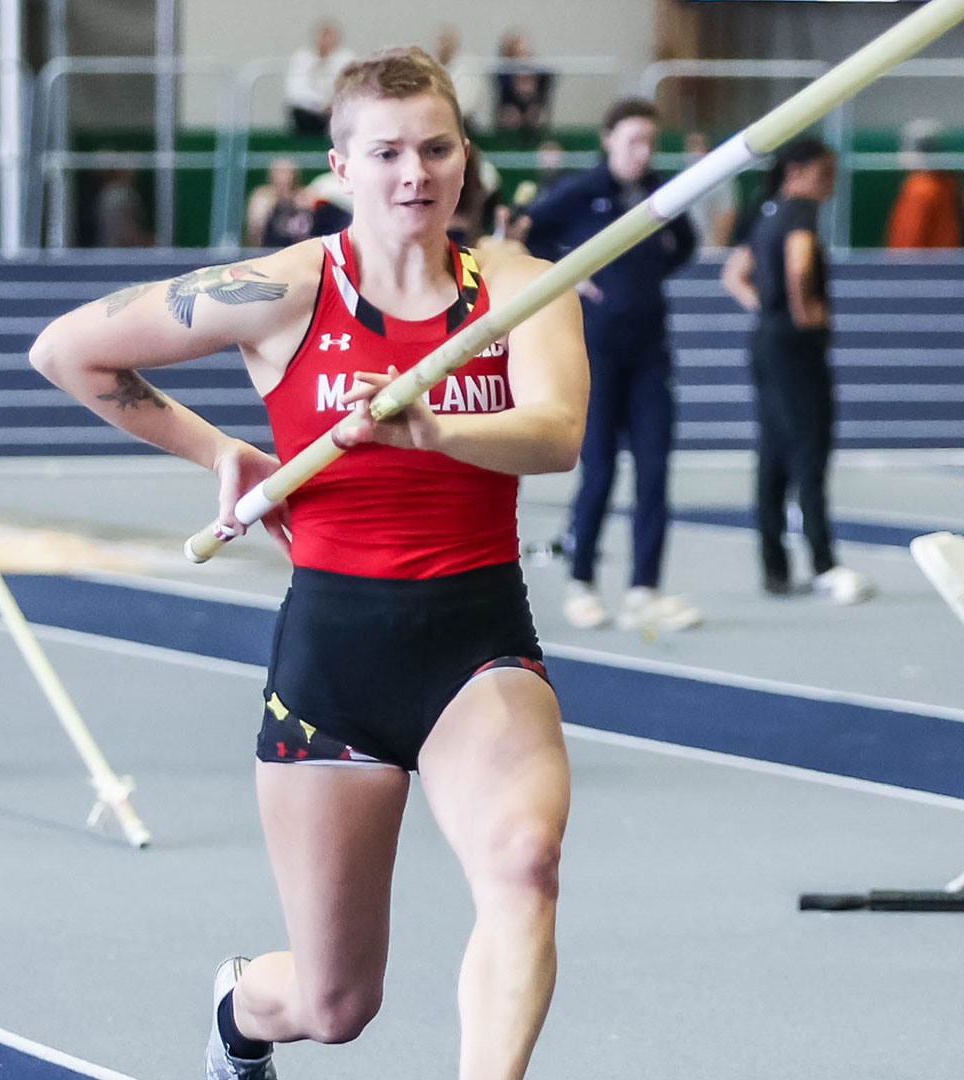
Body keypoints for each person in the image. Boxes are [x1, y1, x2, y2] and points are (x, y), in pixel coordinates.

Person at [29, 47, 585, 1080]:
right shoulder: (284, 288)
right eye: (388, 153)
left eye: (436, 149)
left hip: (477, 645)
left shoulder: (518, 287)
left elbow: (556, 434)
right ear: (341, 166)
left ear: (466, 158)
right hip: (334, 663)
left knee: (525, 863)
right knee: (334, 1004)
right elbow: (67, 349)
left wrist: (432, 430)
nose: (414, 174)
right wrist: (222, 453)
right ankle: (241, 1008)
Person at [517, 99, 702, 631]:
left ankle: (645, 589)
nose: (643, 152)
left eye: (650, 142)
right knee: (599, 468)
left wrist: (645, 276)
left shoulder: (660, 191)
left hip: (650, 350)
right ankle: (582, 581)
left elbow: (686, 242)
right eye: (633, 141)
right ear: (608, 139)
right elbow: (528, 233)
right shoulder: (582, 190)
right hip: (597, 349)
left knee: (654, 471)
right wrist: (568, 275)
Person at [721, 139, 876, 604]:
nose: (830, 183)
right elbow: (799, 264)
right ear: (799, 171)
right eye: (825, 173)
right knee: (810, 451)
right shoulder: (800, 214)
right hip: (796, 347)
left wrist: (766, 310)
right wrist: (806, 315)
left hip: (767, 341)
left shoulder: (765, 210)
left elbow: (734, 274)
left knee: (773, 452)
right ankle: (824, 563)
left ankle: (774, 568)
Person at [884, 118, 962, 249]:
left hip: (924, 260)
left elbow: (910, 240)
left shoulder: (921, 190)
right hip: (940, 258)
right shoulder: (943, 185)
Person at [283, 20, 355, 138]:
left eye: (330, 37)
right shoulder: (302, 57)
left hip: (336, 109)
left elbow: (349, 87)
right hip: (309, 112)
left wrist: (332, 104)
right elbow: (295, 90)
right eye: (323, 36)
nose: (326, 41)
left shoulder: (346, 58)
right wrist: (319, 105)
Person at [492, 31, 554, 142]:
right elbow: (505, 101)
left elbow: (542, 98)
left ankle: (538, 143)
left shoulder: (541, 75)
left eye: (528, 54)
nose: (524, 60)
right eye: (519, 55)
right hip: (511, 110)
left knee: (536, 116)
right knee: (511, 116)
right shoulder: (504, 75)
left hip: (534, 109)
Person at [684, 131, 738, 251]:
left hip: (708, 251)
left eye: (698, 145)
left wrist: (715, 250)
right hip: (687, 253)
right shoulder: (682, 179)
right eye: (691, 145)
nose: (694, 151)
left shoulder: (718, 179)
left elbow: (726, 215)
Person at [245, 157, 314, 248]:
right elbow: (254, 229)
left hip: (298, 248)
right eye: (278, 172)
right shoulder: (263, 197)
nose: (282, 177)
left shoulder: (305, 196)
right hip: (270, 247)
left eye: (286, 172)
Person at [433, 24, 488, 134]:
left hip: (464, 124)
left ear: (455, 44)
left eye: (447, 41)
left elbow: (467, 104)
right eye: (441, 41)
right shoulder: (432, 67)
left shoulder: (468, 68)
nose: (443, 45)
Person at [94, 169, 151, 248]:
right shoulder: (117, 194)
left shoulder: (111, 192)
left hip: (111, 249)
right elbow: (127, 236)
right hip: (119, 251)